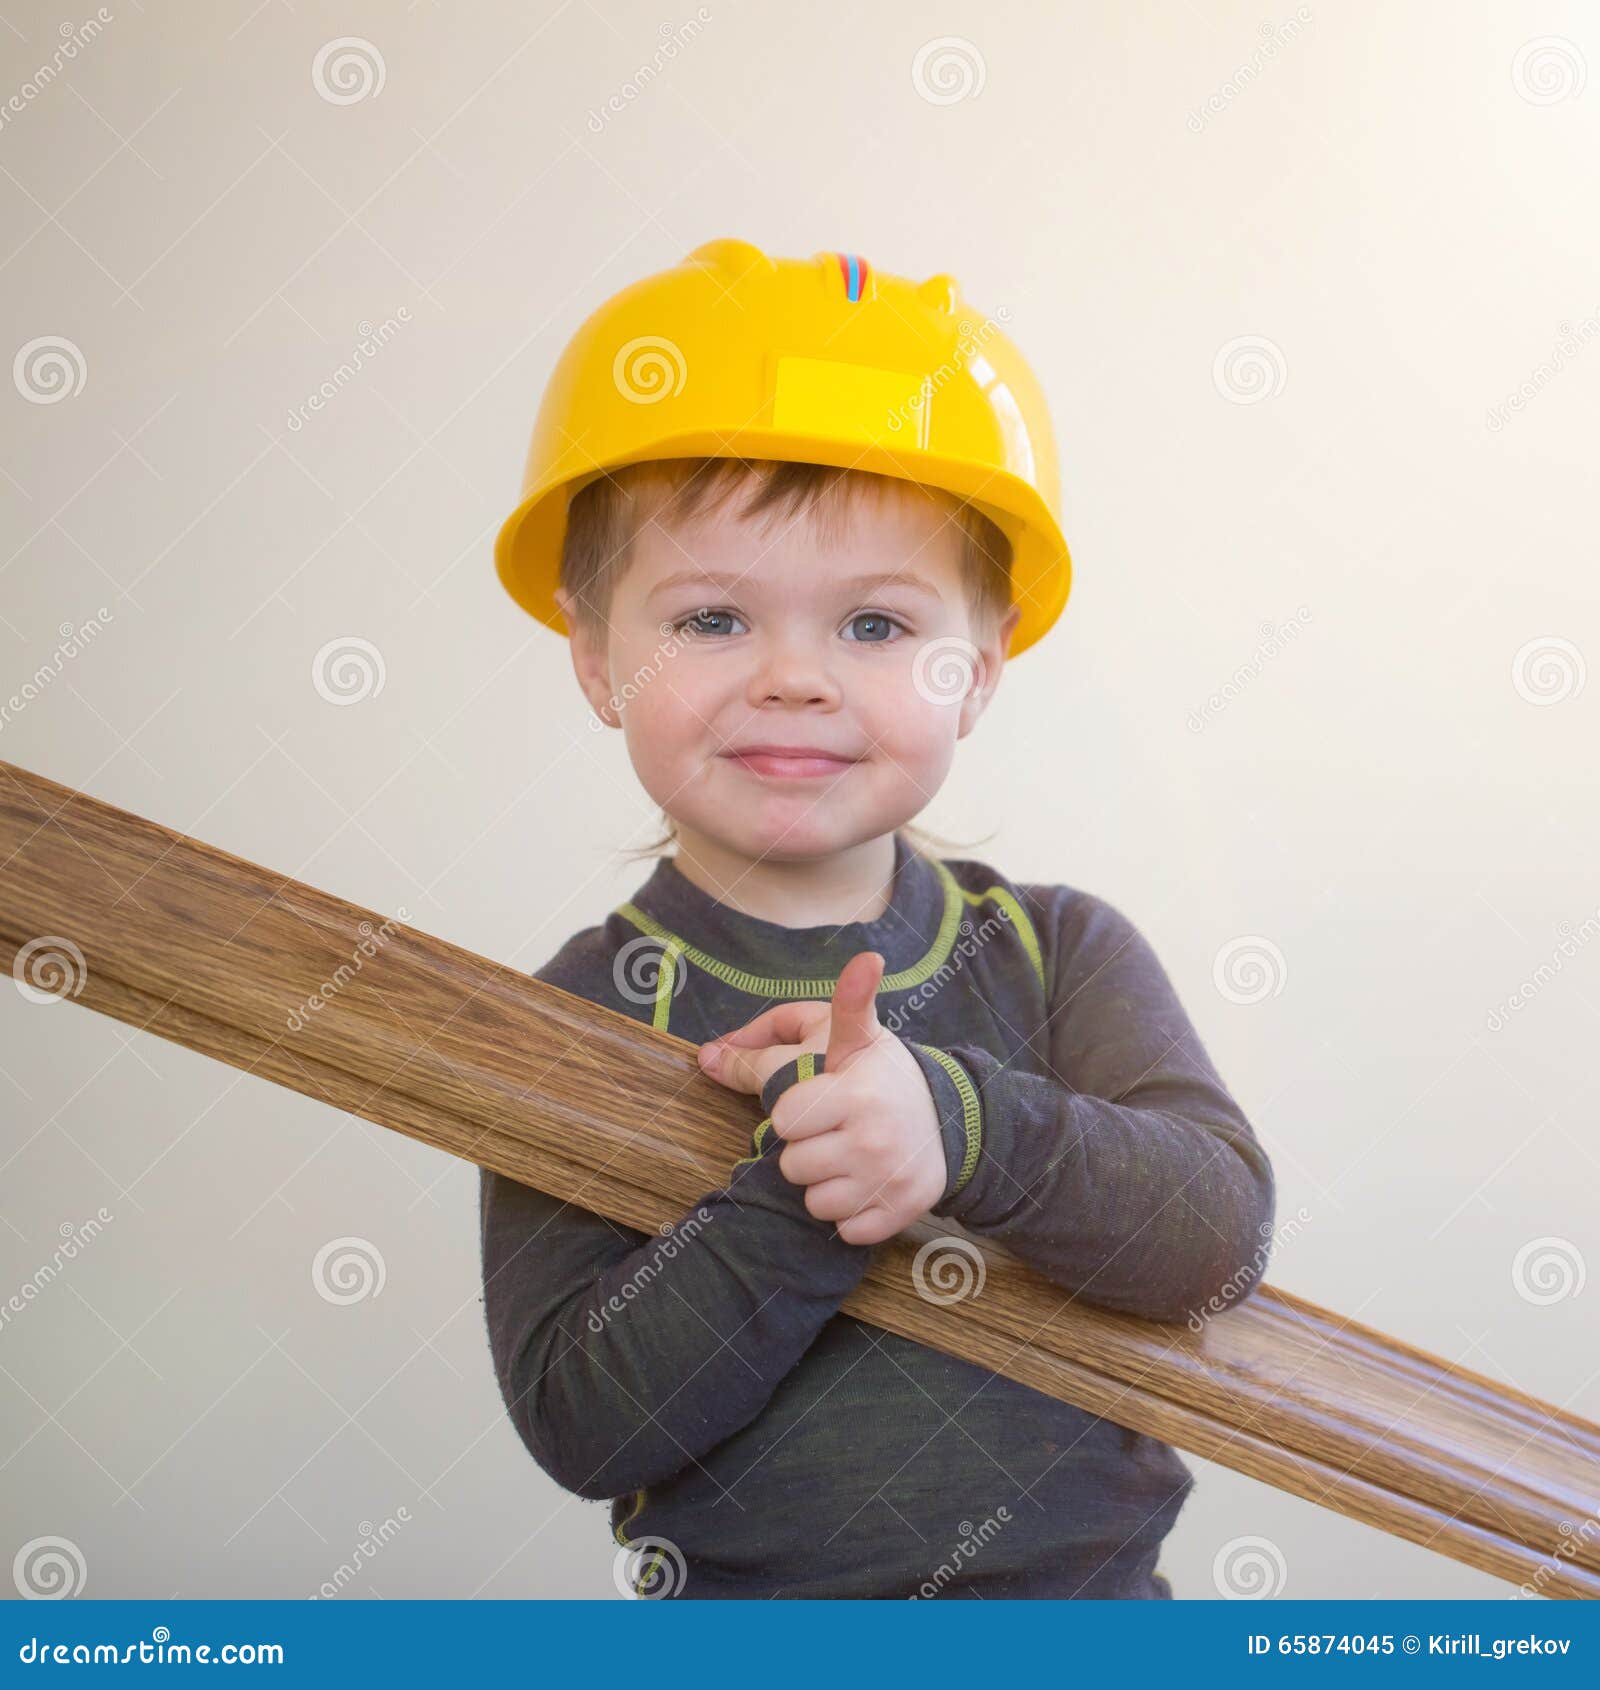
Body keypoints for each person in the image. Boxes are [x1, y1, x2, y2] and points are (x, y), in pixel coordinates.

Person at [477, 240, 1276, 1599]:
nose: (794, 677)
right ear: (596, 657)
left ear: (983, 666)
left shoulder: (1057, 954)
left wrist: (957, 1126)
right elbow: (582, 1418)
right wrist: (811, 1184)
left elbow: (1216, 1238)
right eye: (716, 616)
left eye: (875, 625)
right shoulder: (574, 1011)